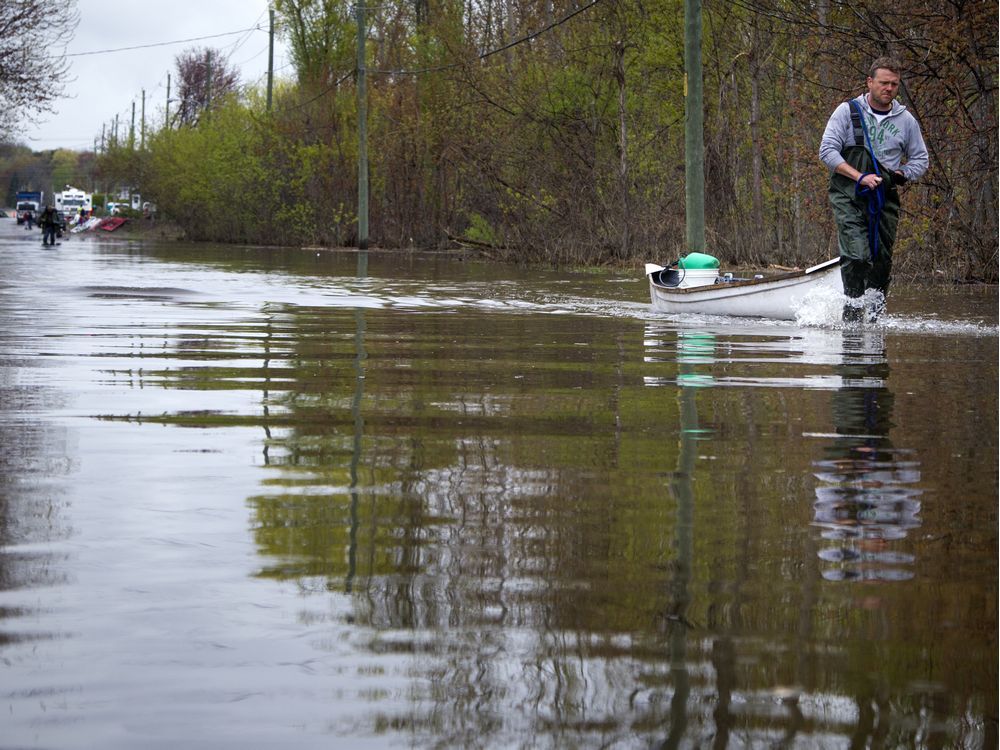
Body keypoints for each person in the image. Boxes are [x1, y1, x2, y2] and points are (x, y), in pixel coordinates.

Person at [819, 57, 929, 322]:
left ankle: (875, 319)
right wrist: (860, 177)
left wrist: (901, 174)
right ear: (870, 82)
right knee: (857, 256)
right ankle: (852, 317)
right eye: (883, 83)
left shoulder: (906, 121)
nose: (889, 88)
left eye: (894, 84)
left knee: (881, 262)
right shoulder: (847, 112)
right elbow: (827, 151)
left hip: (884, 199)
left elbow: (920, 160)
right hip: (849, 195)